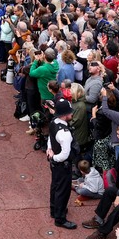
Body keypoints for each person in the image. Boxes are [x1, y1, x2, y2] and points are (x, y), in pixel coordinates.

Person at [47, 98, 78, 230]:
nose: (72, 114)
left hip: (55, 163)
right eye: (70, 112)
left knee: (55, 186)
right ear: (65, 115)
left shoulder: (54, 122)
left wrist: (50, 150)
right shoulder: (65, 133)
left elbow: (50, 137)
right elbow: (65, 154)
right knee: (63, 191)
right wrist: (54, 158)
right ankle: (60, 218)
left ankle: (54, 210)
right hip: (62, 164)